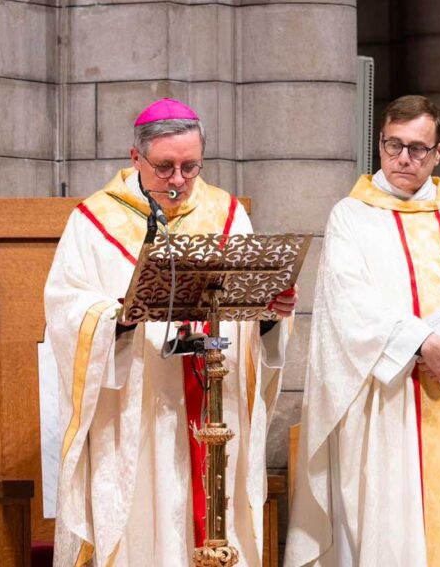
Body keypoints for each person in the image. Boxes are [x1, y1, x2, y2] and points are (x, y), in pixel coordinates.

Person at [44, 98, 298, 566]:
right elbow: (65, 307)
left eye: (190, 166)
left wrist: (268, 315)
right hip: (137, 410)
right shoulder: (95, 220)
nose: (179, 181)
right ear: (134, 157)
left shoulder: (226, 213)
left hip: (211, 399)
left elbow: (246, 311)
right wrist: (115, 319)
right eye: (164, 167)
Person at [285, 95, 440, 567]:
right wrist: (421, 343)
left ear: (439, 153)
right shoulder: (351, 217)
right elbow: (348, 303)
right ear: (379, 144)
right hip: (387, 405)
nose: (403, 159)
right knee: (389, 533)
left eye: (417, 148)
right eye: (393, 145)